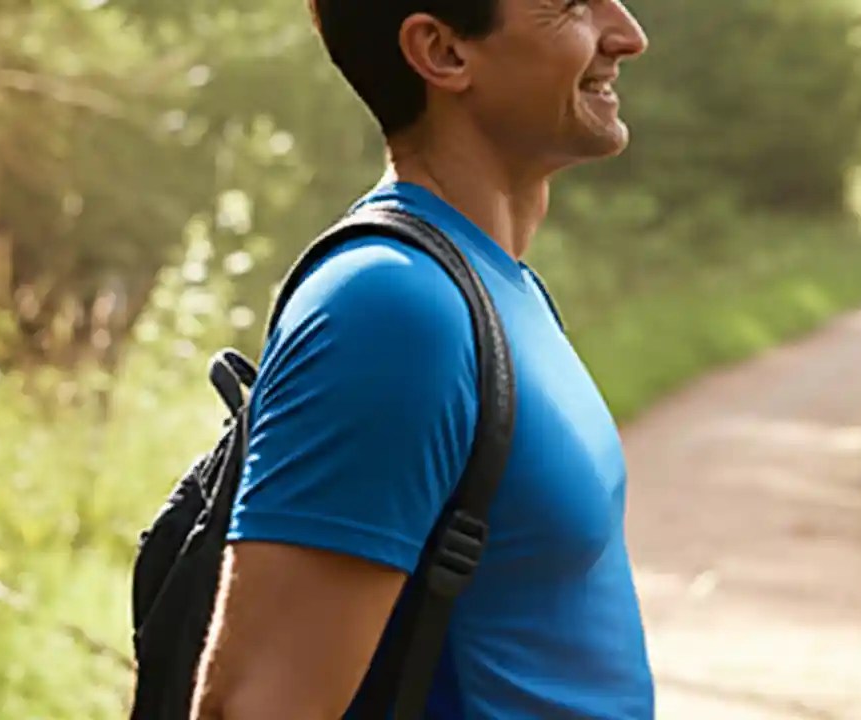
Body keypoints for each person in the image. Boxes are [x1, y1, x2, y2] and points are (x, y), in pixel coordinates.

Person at [190, 0, 650, 717]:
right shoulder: (389, 307)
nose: (627, 35)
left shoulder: (492, 286)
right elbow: (256, 706)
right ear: (443, 52)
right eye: (571, 5)